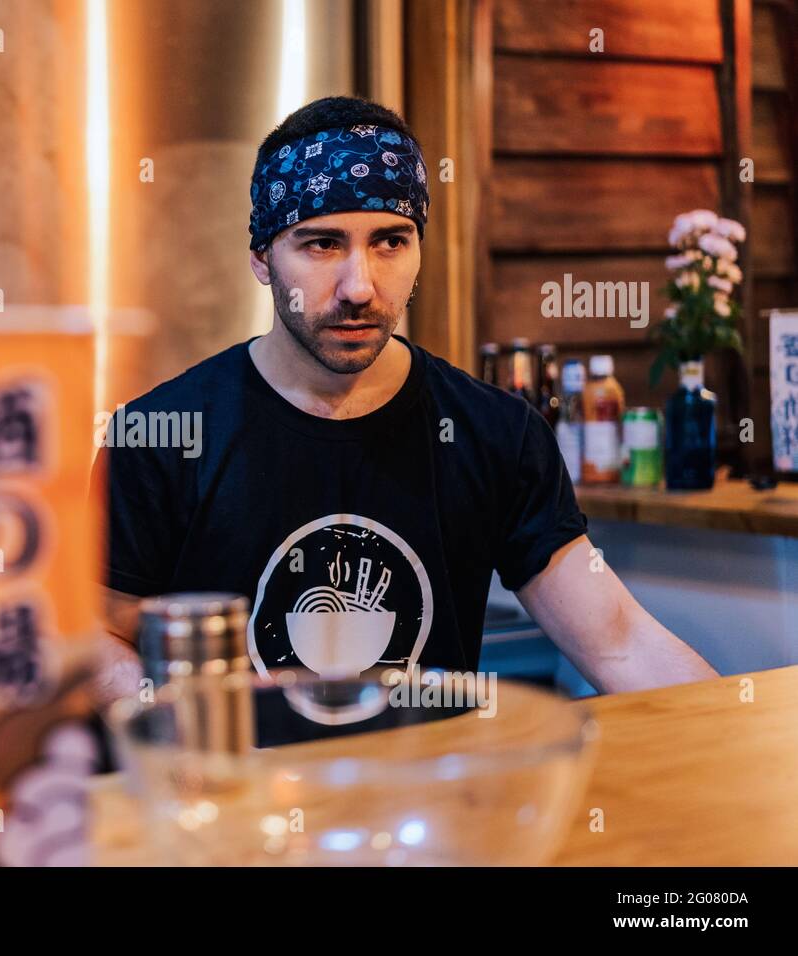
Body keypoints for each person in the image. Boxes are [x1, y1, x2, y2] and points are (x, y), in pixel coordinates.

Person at [93, 95, 716, 697]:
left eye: (390, 241)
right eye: (321, 243)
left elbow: (619, 642)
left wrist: (744, 746)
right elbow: (94, 638)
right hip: (240, 799)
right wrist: (198, 738)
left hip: (428, 799)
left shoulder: (497, 433)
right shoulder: (159, 436)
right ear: (262, 258)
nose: (359, 286)